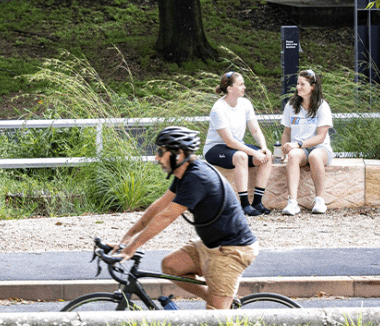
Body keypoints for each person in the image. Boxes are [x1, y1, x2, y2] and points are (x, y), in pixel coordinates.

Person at [116, 126, 258, 310]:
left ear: (179, 154)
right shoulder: (184, 173)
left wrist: (132, 248)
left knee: (214, 321)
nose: (157, 158)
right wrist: (126, 238)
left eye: (161, 152)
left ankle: (220, 307)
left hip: (232, 250)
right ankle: (221, 302)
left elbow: (166, 216)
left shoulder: (197, 178)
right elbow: (159, 206)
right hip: (211, 245)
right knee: (171, 265)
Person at [202, 71, 272, 216]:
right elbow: (229, 141)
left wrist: (264, 148)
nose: (244, 87)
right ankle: (245, 205)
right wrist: (254, 152)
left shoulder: (245, 104)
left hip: (235, 146)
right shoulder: (218, 109)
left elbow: (255, 130)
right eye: (240, 85)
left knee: (267, 157)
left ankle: (257, 203)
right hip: (215, 149)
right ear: (229, 89)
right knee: (242, 156)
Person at [280, 68, 334, 216]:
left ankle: (320, 200)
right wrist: (282, 153)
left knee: (315, 156)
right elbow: (286, 132)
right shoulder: (291, 105)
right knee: (293, 156)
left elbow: (321, 137)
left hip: (320, 148)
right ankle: (292, 203)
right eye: (297, 83)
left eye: (302, 84)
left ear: (313, 87)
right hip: (300, 149)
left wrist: (298, 144)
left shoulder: (322, 106)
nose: (298, 87)